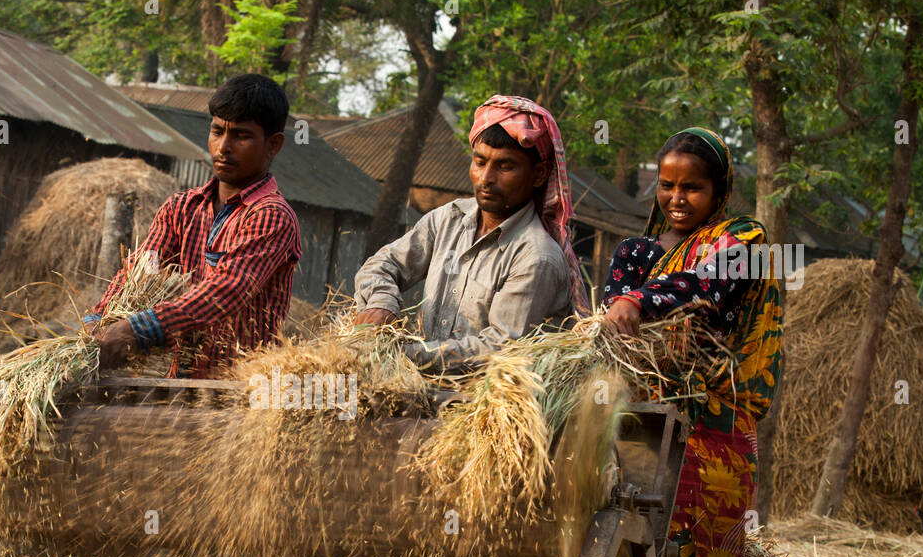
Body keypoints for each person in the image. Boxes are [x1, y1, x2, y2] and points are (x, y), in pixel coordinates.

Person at [601, 126, 783, 557]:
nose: (676, 198)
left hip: (713, 435)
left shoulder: (744, 240)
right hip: (641, 427)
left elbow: (704, 285)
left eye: (693, 187)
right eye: (667, 184)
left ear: (720, 188)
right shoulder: (638, 252)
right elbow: (613, 321)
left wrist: (639, 305)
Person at [85, 74, 301, 377]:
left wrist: (138, 330)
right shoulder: (181, 208)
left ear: (273, 145)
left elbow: (224, 291)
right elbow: (141, 271)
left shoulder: (271, 216)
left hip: (237, 390)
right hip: (179, 384)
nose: (223, 147)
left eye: (241, 136)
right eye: (217, 131)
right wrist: (98, 319)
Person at [351, 95, 589, 370]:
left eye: (505, 166)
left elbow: (499, 349)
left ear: (538, 174)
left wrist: (403, 356)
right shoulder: (448, 219)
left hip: (476, 403)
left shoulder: (537, 257)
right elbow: (383, 264)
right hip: (413, 385)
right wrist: (382, 304)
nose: (486, 178)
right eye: (480, 161)